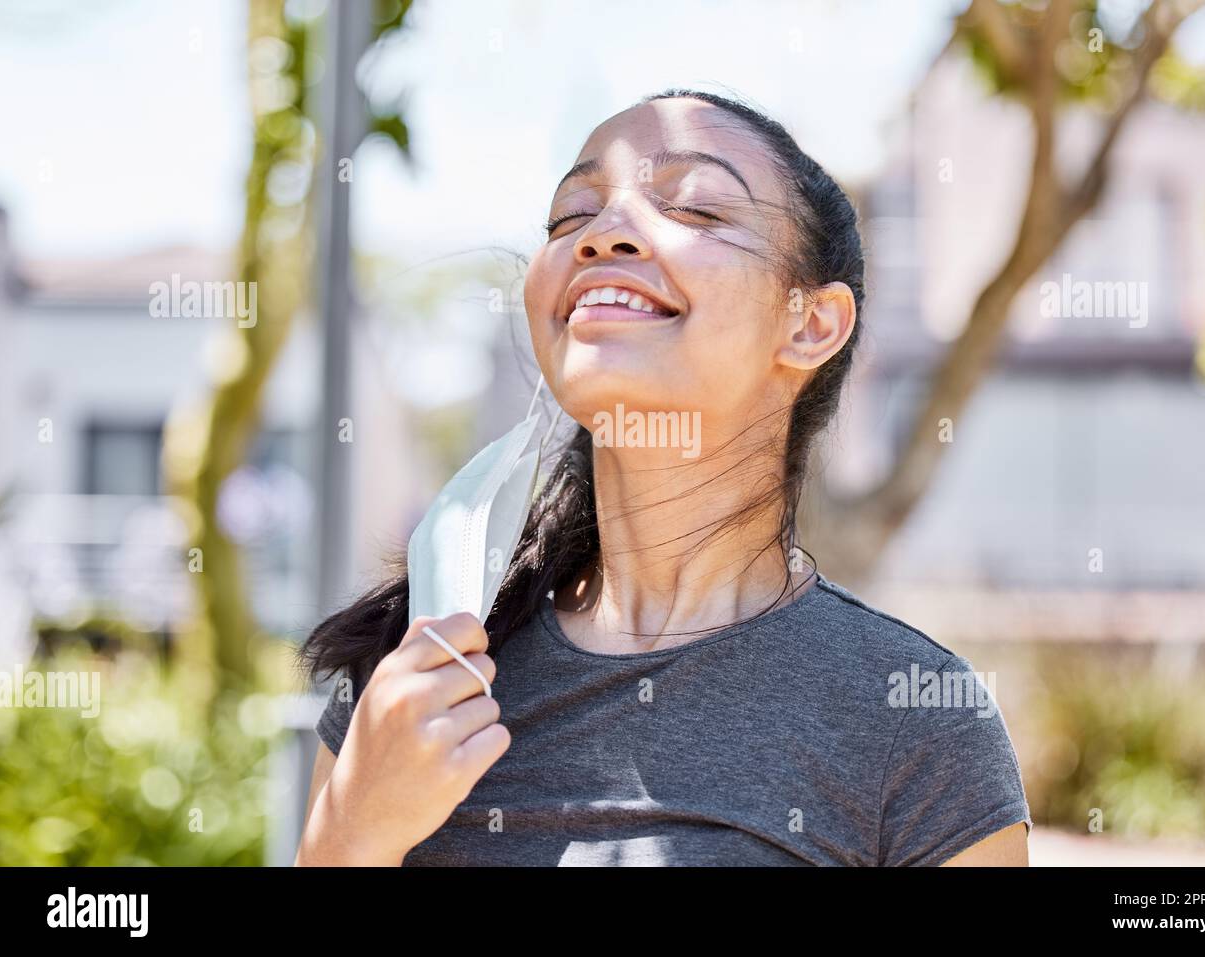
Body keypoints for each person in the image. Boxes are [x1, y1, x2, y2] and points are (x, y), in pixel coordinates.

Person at [294, 89, 1031, 866]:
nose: (604, 234)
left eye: (695, 209)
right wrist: (350, 835)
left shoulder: (915, 721)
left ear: (809, 323)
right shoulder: (414, 667)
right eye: (571, 216)